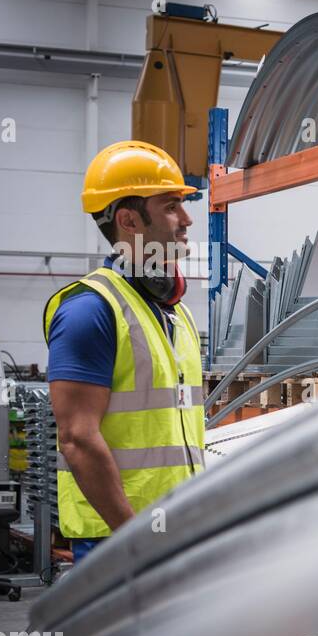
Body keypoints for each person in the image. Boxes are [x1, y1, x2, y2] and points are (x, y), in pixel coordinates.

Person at [44, 141, 205, 565]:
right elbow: (78, 438)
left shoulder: (174, 313)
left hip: (178, 531)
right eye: (171, 206)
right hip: (120, 543)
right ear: (129, 220)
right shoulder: (89, 311)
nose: (187, 220)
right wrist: (133, 537)